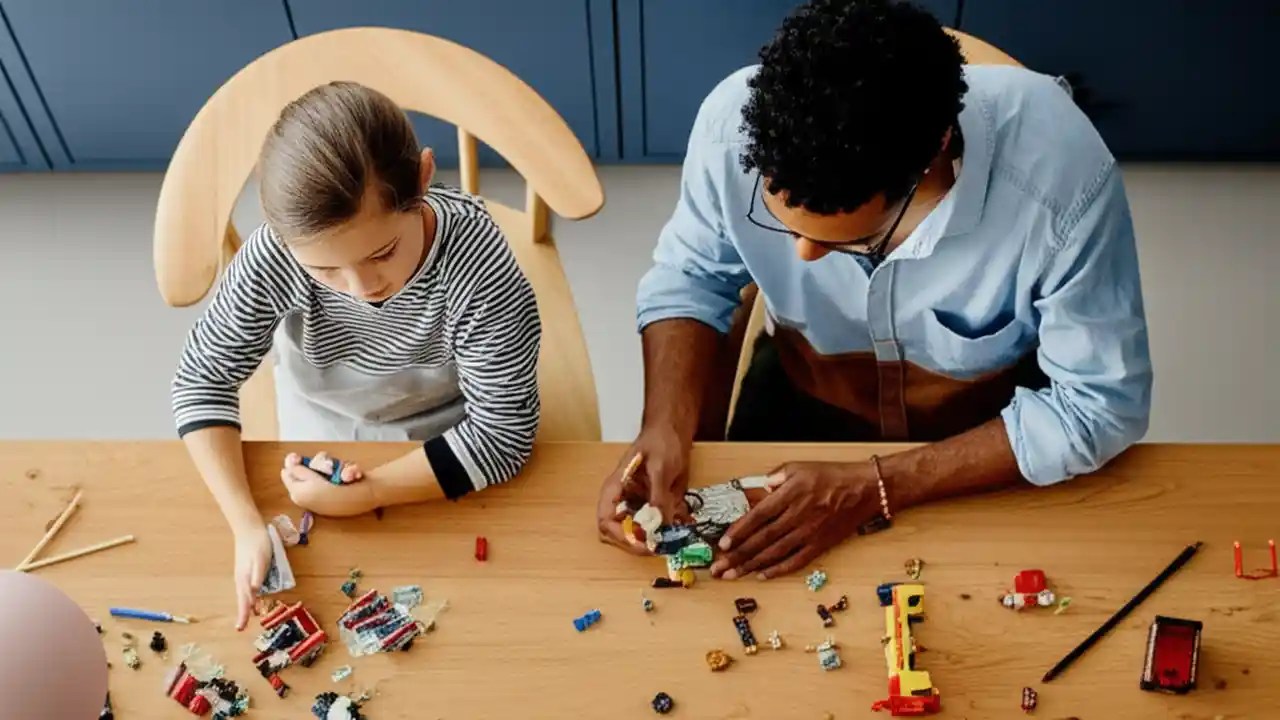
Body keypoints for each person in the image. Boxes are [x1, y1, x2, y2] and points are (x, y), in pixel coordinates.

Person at [597, 0, 1151, 580]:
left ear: (936, 153)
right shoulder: (729, 127)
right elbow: (691, 277)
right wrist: (662, 424)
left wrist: (879, 486)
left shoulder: (1059, 175)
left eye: (849, 241)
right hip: (801, 394)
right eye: (784, 225)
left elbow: (1099, 406)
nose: (803, 255)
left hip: (984, 441)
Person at [172, 82, 541, 630]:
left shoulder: (479, 268)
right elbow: (201, 379)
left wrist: (371, 493)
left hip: (448, 424)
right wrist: (245, 525)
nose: (360, 287)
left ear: (422, 179)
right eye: (324, 270)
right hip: (319, 416)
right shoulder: (273, 255)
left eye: (382, 252)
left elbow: (504, 434)